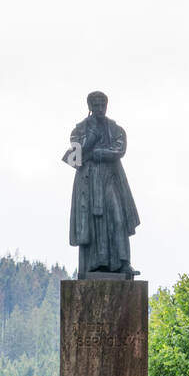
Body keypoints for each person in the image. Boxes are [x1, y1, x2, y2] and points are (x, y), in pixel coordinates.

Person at [63, 91, 140, 278]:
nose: (99, 109)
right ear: (89, 107)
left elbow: (119, 149)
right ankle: (95, 265)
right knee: (91, 223)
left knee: (117, 218)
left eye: (102, 105)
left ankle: (123, 263)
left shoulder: (116, 129)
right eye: (95, 105)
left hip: (111, 178)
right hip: (88, 182)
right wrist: (91, 140)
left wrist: (101, 153)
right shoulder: (79, 130)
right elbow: (74, 156)